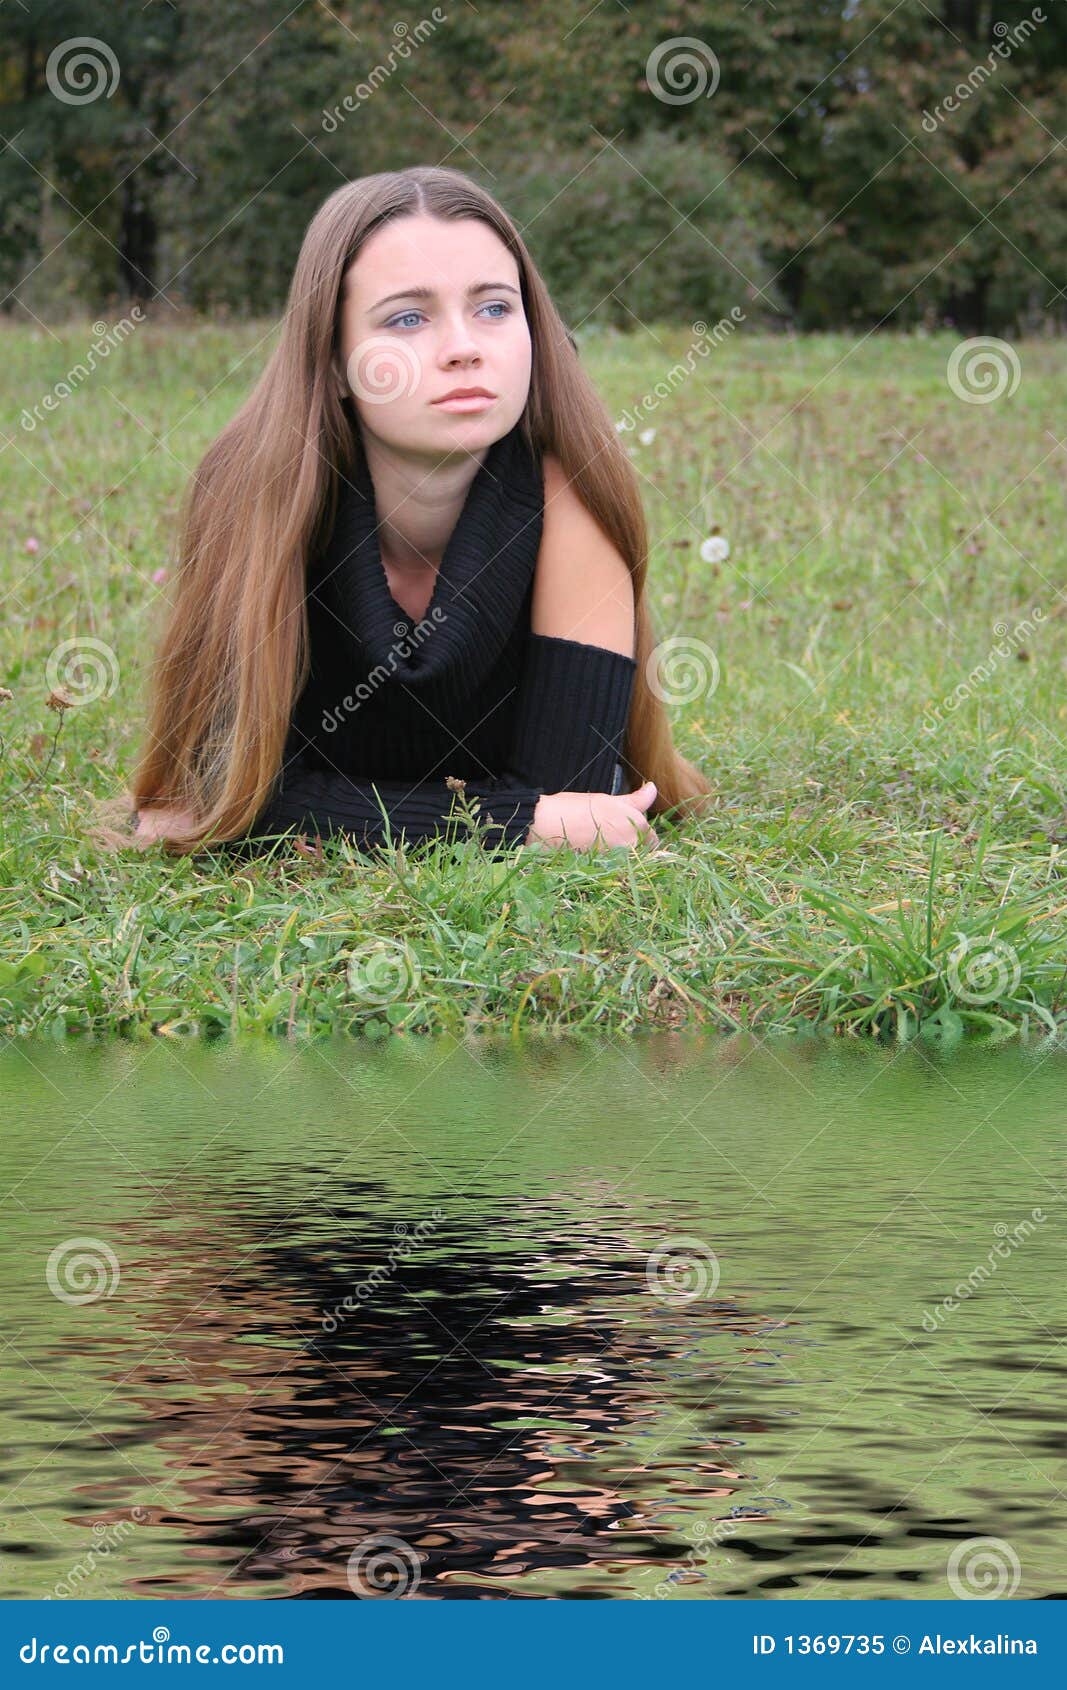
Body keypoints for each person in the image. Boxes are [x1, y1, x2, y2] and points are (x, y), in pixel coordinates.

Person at [90, 165, 714, 859]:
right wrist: (519, 823)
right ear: (331, 358)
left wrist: (321, 808)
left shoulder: (574, 498)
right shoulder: (250, 489)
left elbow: (573, 795)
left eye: (494, 308)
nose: (464, 347)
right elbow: (202, 801)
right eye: (408, 318)